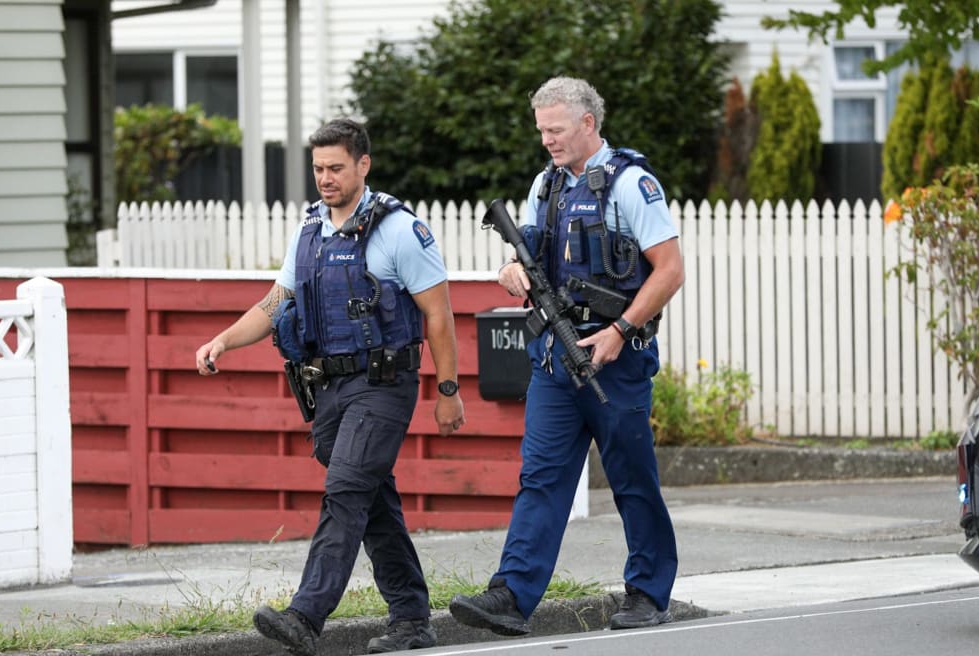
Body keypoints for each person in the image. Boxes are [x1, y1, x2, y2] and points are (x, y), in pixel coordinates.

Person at [195, 118, 465, 655]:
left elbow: (439, 314)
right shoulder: (310, 230)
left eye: (336, 168)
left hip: (384, 384)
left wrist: (448, 390)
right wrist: (224, 340)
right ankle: (412, 618)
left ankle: (306, 615)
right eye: (318, 168)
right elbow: (275, 302)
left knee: (345, 490)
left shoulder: (399, 230)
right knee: (371, 498)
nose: (325, 178)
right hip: (330, 390)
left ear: (363, 165)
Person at [448, 77, 684, 635]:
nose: (547, 140)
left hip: (616, 360)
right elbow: (529, 256)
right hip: (555, 358)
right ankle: (511, 595)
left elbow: (670, 270)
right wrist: (511, 271)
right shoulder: (546, 185)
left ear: (587, 123)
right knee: (541, 478)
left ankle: (649, 592)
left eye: (555, 130)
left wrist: (620, 330)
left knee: (632, 480)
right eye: (541, 131)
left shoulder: (632, 184)